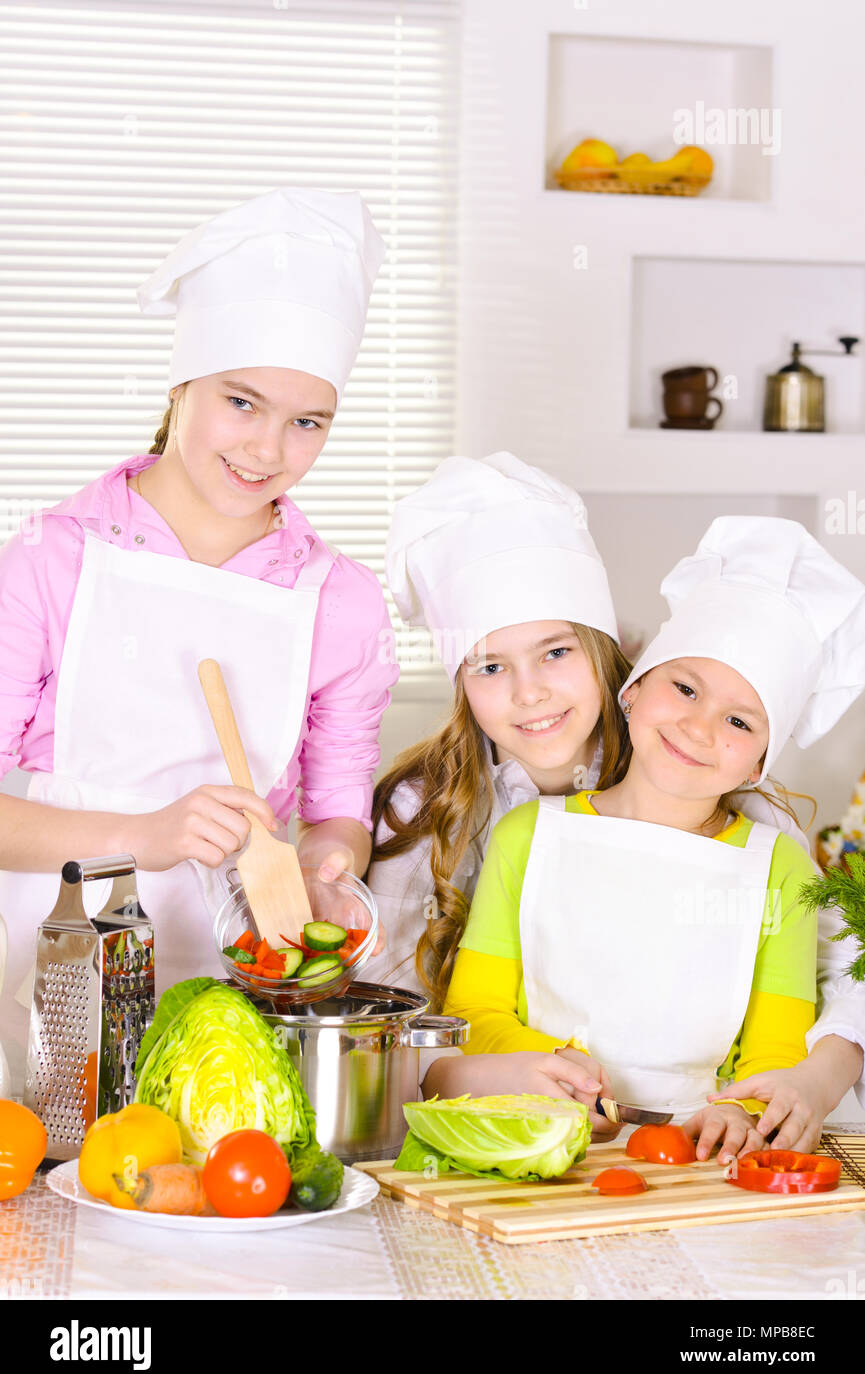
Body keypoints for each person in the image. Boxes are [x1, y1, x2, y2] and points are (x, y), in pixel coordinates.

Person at [0, 187, 400, 1095]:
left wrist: (327, 869)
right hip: (42, 965)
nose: (268, 449)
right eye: (242, 402)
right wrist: (149, 833)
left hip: (233, 983)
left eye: (309, 421)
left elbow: (337, 812)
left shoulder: (339, 599)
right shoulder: (51, 559)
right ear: (182, 385)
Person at [428, 516, 865, 1162]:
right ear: (631, 693)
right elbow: (476, 1013)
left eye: (739, 720)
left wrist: (740, 1115)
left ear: (756, 766)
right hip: (542, 1142)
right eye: (683, 688)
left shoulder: (779, 867)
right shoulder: (528, 836)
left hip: (697, 1160)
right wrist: (550, 1070)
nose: (697, 725)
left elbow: (776, 1051)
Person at [364, 452, 631, 1130]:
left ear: (601, 649)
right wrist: (475, 1072)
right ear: (460, 680)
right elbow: (382, 1019)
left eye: (555, 651)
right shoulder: (418, 810)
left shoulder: (687, 770)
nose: (528, 692)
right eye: (490, 665)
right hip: (494, 1125)